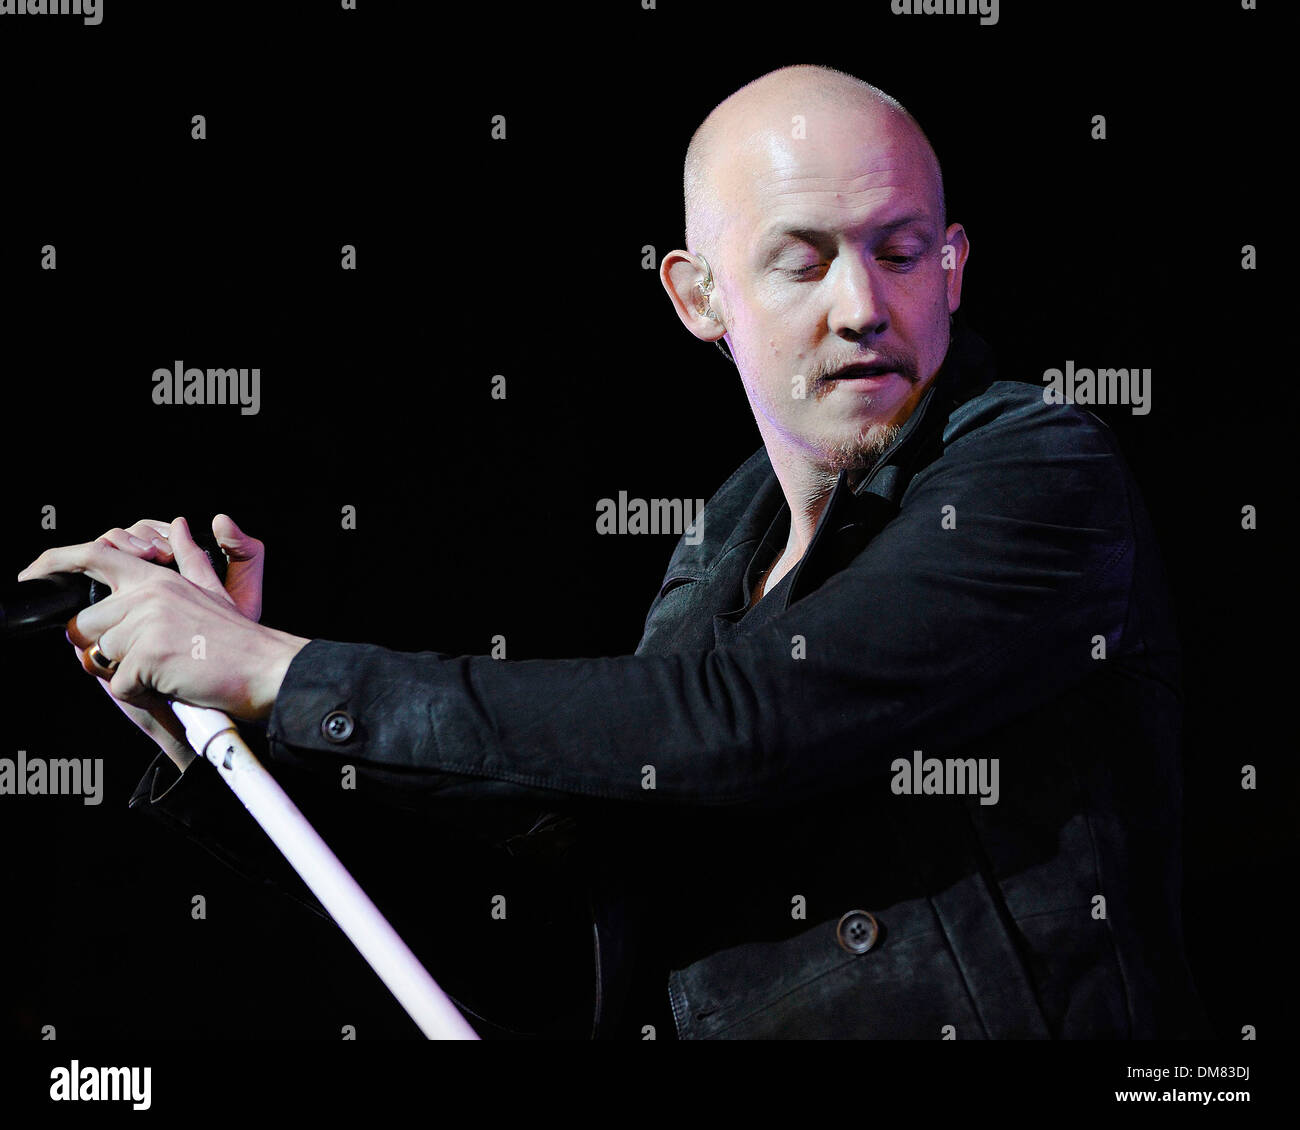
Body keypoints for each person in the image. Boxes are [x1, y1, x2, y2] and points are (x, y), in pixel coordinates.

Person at [18, 64, 1210, 1039]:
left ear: (952, 264)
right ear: (698, 297)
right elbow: (572, 918)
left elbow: (749, 717)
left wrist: (283, 666)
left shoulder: (1039, 470)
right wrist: (237, 737)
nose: (860, 304)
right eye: (802, 260)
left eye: (900, 252)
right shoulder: (721, 547)